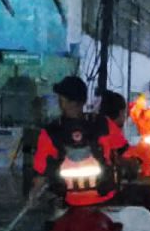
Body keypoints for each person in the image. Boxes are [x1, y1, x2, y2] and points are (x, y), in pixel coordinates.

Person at [30, 76, 128, 207]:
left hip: (67, 205)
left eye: (61, 97)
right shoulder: (103, 124)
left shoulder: (50, 132)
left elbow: (40, 176)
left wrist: (33, 196)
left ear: (65, 101)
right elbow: (126, 154)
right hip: (105, 204)